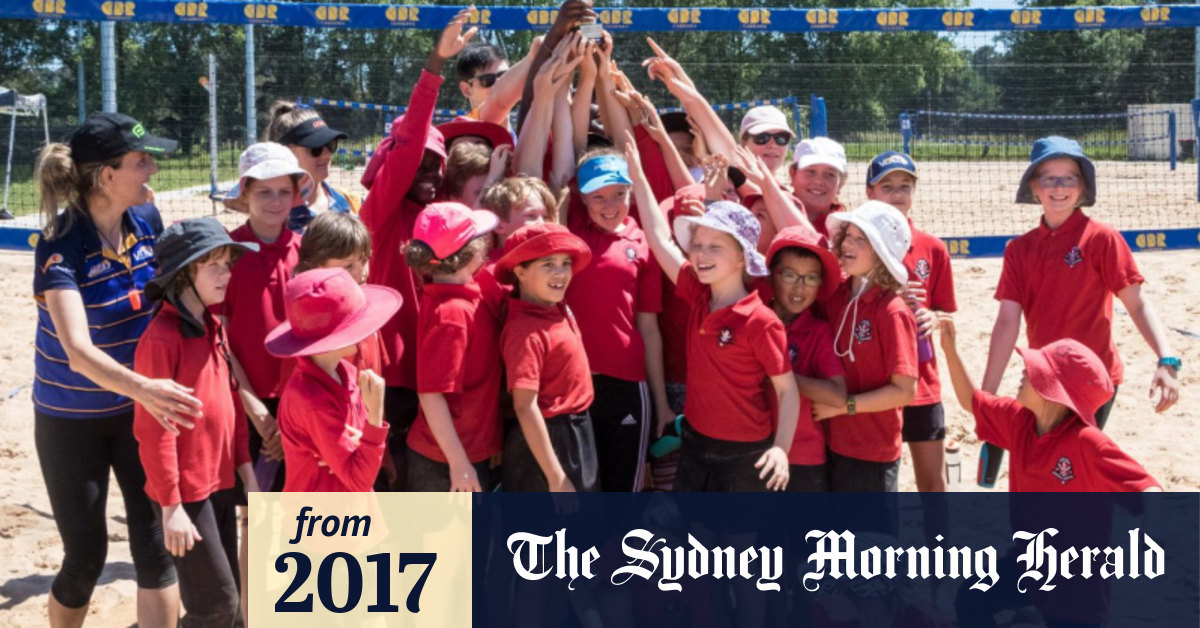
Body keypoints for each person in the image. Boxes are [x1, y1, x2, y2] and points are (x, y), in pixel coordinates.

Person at [33, 111, 192, 627]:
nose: (153, 169)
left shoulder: (148, 220)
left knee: (156, 549)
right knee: (85, 560)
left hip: (137, 410)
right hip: (70, 418)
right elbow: (77, 350)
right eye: (141, 161)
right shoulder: (62, 243)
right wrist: (146, 387)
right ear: (106, 176)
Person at [626, 137, 799, 493]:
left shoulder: (760, 320)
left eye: (714, 247)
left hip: (744, 452)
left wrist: (781, 448)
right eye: (698, 245)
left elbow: (787, 392)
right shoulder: (697, 292)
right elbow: (659, 239)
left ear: (741, 258)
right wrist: (638, 176)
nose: (701, 254)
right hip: (695, 442)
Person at [359, 9, 478, 490]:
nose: (429, 174)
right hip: (392, 376)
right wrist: (434, 65)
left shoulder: (443, 214)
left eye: (438, 165)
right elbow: (408, 147)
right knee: (389, 486)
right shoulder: (382, 214)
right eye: (418, 166)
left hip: (436, 375)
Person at [983, 136, 1180, 425]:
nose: (1059, 187)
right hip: (1043, 378)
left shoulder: (1102, 238)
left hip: (1093, 379)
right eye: (1049, 179)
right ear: (1034, 187)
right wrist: (987, 394)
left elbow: (1137, 304)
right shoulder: (1019, 249)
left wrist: (1167, 359)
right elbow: (1006, 322)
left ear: (1083, 186)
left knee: (1075, 465)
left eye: (1069, 179)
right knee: (1042, 464)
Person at [133, 218, 261, 628]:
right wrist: (171, 507)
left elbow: (232, 408)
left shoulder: (213, 327)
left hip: (221, 482)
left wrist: (249, 475)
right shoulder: (161, 337)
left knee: (231, 603)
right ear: (185, 273)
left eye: (228, 263)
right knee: (217, 608)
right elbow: (153, 431)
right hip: (185, 496)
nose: (227, 274)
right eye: (215, 265)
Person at [941, 322, 1161, 493]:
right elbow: (971, 400)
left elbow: (1148, 487)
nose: (1025, 370)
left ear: (1054, 392)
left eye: (1036, 371)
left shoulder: (1086, 441)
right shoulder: (1018, 417)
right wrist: (950, 348)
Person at [563, 148, 668, 493]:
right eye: (599, 197)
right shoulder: (570, 231)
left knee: (624, 489)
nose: (611, 206)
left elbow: (648, 328)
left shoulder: (642, 241)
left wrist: (661, 402)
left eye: (620, 195)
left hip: (627, 383)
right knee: (578, 490)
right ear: (581, 198)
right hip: (574, 382)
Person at [221, 142, 314, 494]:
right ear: (245, 192)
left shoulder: (308, 253)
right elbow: (220, 342)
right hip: (244, 398)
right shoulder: (224, 254)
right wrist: (259, 414)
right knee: (251, 510)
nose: (275, 201)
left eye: (283, 192)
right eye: (264, 192)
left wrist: (289, 418)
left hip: (301, 402)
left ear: (295, 194)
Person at [865, 151, 957, 498]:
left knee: (933, 484)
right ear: (870, 192)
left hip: (922, 380)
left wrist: (934, 318)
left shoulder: (932, 247)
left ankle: (939, 552)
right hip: (875, 380)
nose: (898, 192)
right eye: (887, 186)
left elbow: (946, 311)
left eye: (905, 185)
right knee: (876, 483)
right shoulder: (857, 244)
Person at [813, 201, 918, 493]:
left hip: (872, 452)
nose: (848, 243)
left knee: (867, 539)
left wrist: (844, 407)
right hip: (831, 443)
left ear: (882, 254)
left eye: (862, 239)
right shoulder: (835, 297)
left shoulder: (891, 311)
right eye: (848, 234)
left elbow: (905, 391)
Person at [267, 268, 402, 492]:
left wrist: (358, 444)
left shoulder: (345, 371)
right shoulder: (313, 400)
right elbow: (359, 479)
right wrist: (375, 419)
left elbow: (357, 460)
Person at [403, 202, 504, 492]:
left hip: (465, 453)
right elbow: (432, 395)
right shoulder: (452, 314)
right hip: (446, 463)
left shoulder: (457, 294)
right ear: (471, 253)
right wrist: (459, 464)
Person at [495, 223, 599, 492]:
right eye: (548, 264)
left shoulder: (554, 306)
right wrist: (556, 477)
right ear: (521, 272)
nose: (561, 272)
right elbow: (524, 406)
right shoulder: (524, 330)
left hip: (576, 431)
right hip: (549, 442)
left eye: (565, 263)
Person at [764, 226, 846, 492]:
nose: (800, 287)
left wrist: (781, 377)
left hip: (804, 458)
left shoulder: (819, 332)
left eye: (811, 278)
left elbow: (837, 395)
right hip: (752, 451)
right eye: (790, 275)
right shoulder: (754, 322)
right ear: (772, 276)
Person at [263, 100, 359, 230]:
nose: (326, 154)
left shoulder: (349, 201)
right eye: (316, 147)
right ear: (286, 153)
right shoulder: (274, 219)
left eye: (330, 144)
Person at [789, 137, 848, 239]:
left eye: (830, 174)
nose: (819, 181)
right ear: (793, 174)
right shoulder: (768, 214)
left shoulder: (848, 229)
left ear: (841, 183)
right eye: (810, 171)